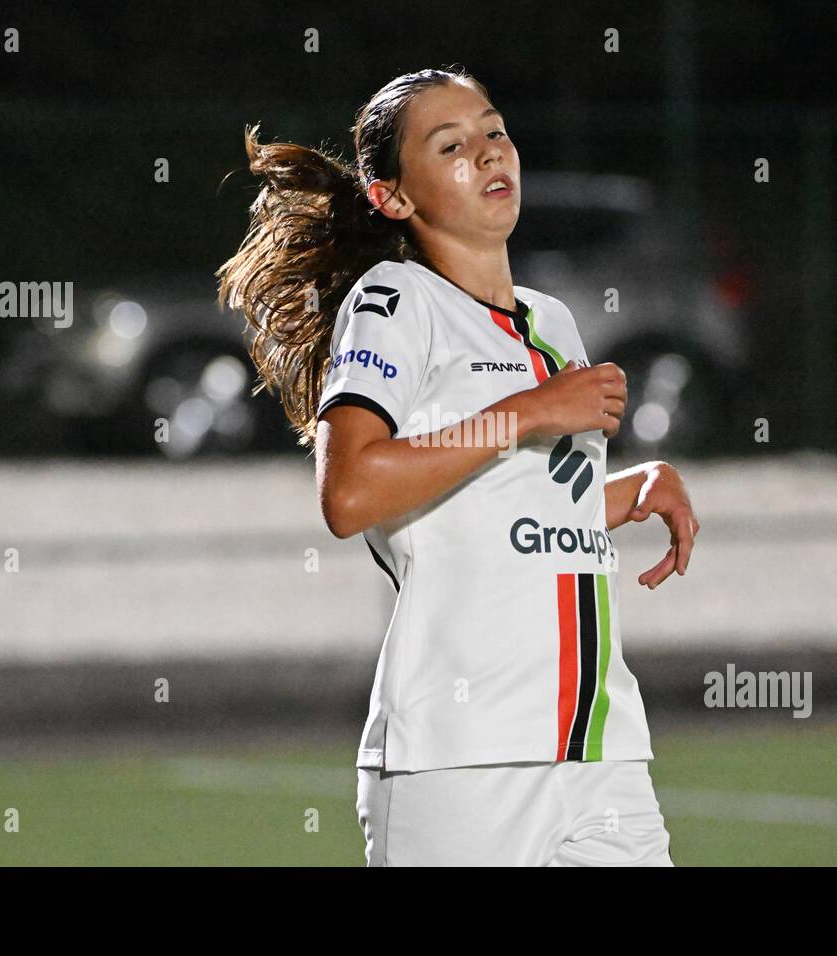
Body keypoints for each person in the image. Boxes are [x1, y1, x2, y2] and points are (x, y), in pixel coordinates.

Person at [217, 64, 699, 866]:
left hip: (599, 747)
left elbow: (509, 505)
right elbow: (351, 490)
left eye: (495, 131)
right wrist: (533, 412)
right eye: (451, 146)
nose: (487, 153)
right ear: (393, 197)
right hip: (459, 756)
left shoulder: (553, 322)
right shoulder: (395, 300)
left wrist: (625, 492)